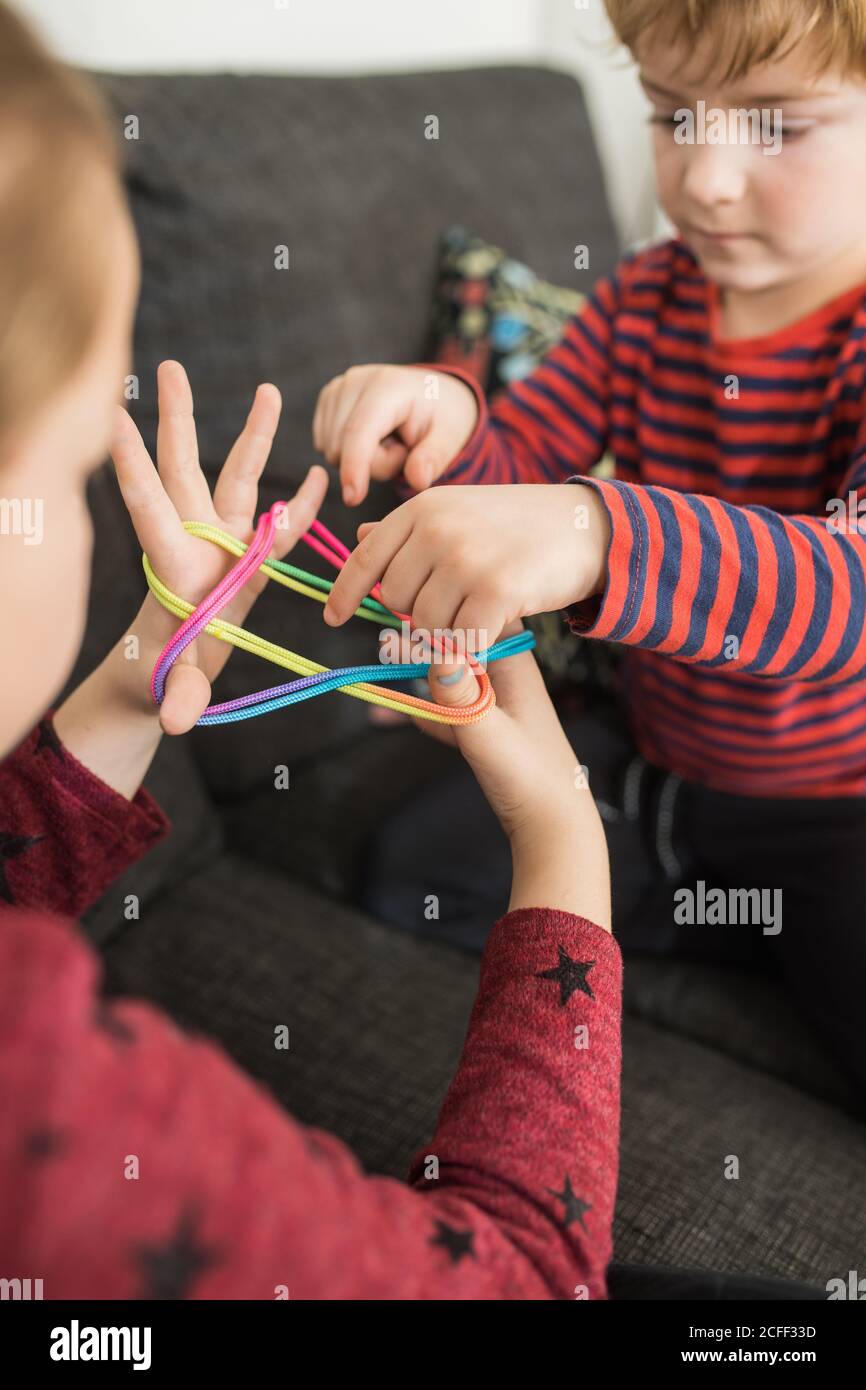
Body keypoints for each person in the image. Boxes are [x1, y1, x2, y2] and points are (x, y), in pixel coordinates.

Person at [0, 1, 622, 1299]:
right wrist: (563, 835)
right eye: (68, 466)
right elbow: (518, 1280)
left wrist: (138, 670)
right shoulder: (52, 1100)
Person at [314, 0, 866, 1103]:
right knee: (409, 872)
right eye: (671, 115)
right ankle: (724, 915)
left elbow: (848, 589)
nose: (702, 180)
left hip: (833, 808)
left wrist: (595, 529)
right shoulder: (640, 302)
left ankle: (756, 917)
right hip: (645, 772)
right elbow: (513, 472)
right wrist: (453, 425)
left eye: (773, 127)